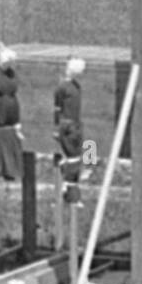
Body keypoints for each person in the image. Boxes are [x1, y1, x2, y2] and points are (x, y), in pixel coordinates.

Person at [0, 46, 24, 181]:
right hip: (0, 109)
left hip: (11, 108)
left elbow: (13, 86)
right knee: (2, 136)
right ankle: (1, 166)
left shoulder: (11, 73)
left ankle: (11, 168)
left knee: (12, 136)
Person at [54, 57, 86, 205]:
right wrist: (56, 127)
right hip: (69, 125)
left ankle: (79, 170)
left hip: (76, 124)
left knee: (85, 152)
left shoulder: (75, 86)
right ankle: (69, 190)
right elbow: (57, 108)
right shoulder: (63, 87)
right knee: (74, 159)